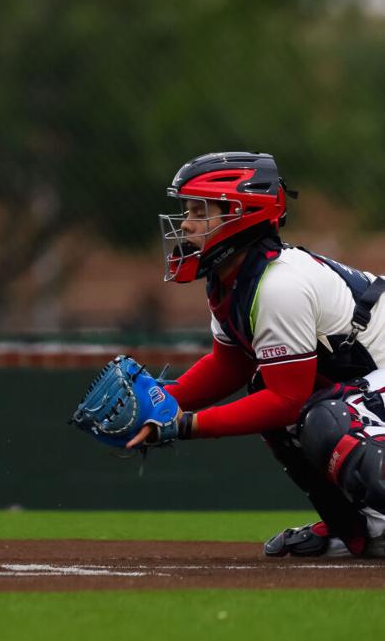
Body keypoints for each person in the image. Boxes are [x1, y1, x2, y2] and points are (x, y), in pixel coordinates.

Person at [132, 150, 385, 558]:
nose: (186, 223)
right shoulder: (231, 278)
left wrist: (184, 425)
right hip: (374, 378)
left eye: (199, 210)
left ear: (241, 213)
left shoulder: (278, 284)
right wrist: (160, 403)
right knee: (270, 391)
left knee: (322, 418)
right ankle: (360, 530)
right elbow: (229, 364)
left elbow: (288, 400)